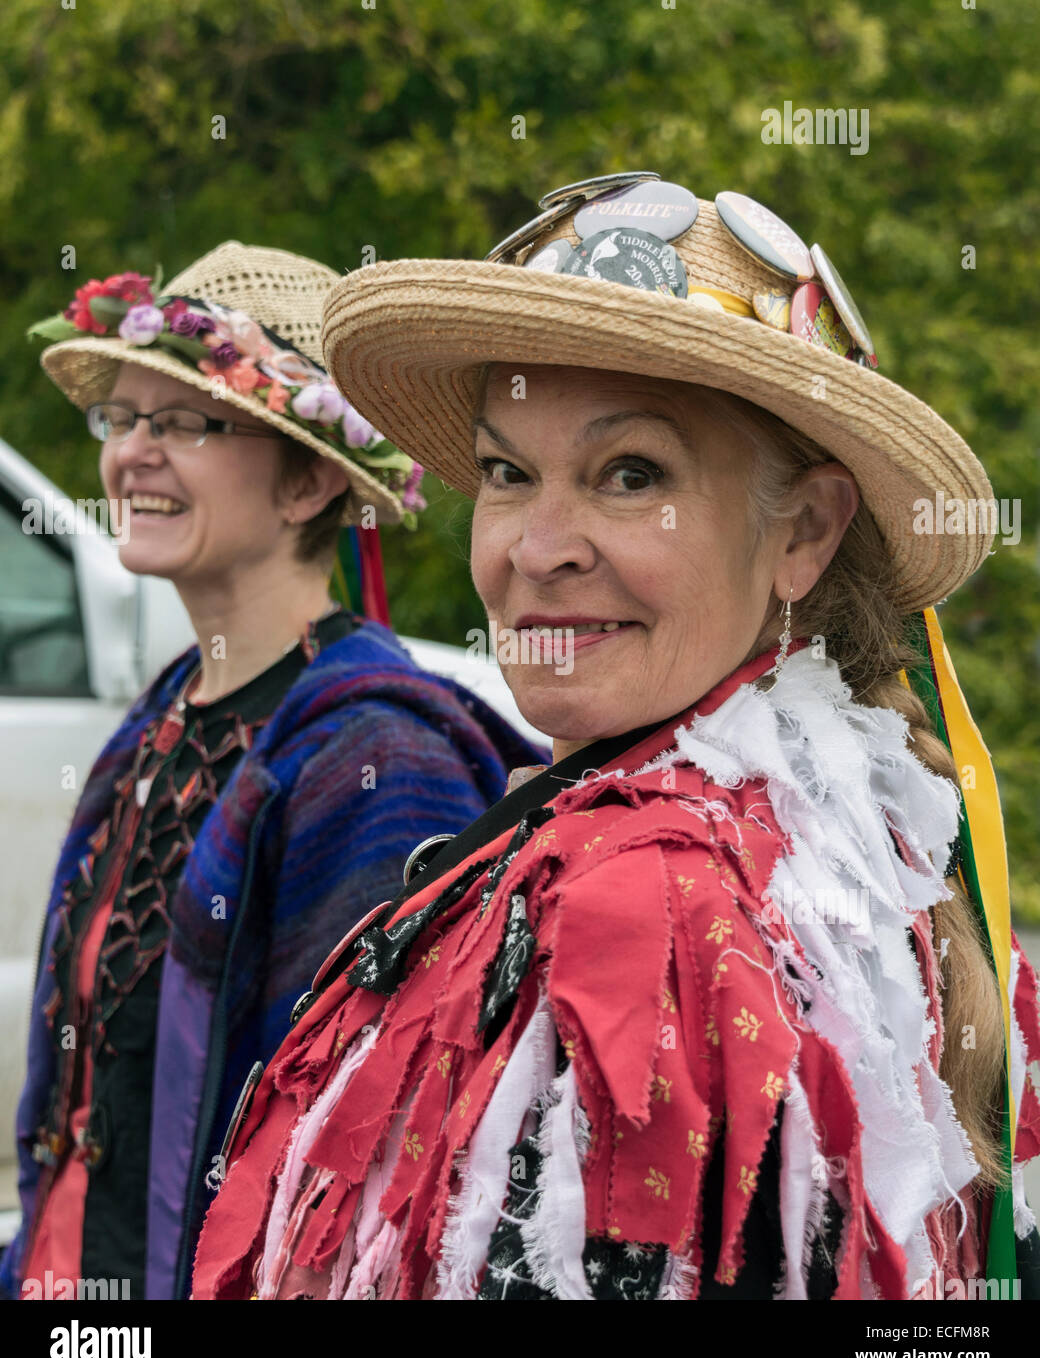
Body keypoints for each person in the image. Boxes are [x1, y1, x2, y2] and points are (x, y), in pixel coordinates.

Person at [191, 179, 1040, 1300]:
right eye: (507, 474)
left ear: (804, 531)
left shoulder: (651, 902)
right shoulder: (838, 842)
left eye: (629, 475)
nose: (538, 548)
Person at [3, 241, 545, 1302]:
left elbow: (361, 1157)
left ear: (306, 480)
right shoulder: (165, 714)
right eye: (125, 421)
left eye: (185, 425)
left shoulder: (377, 756)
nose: (133, 457)